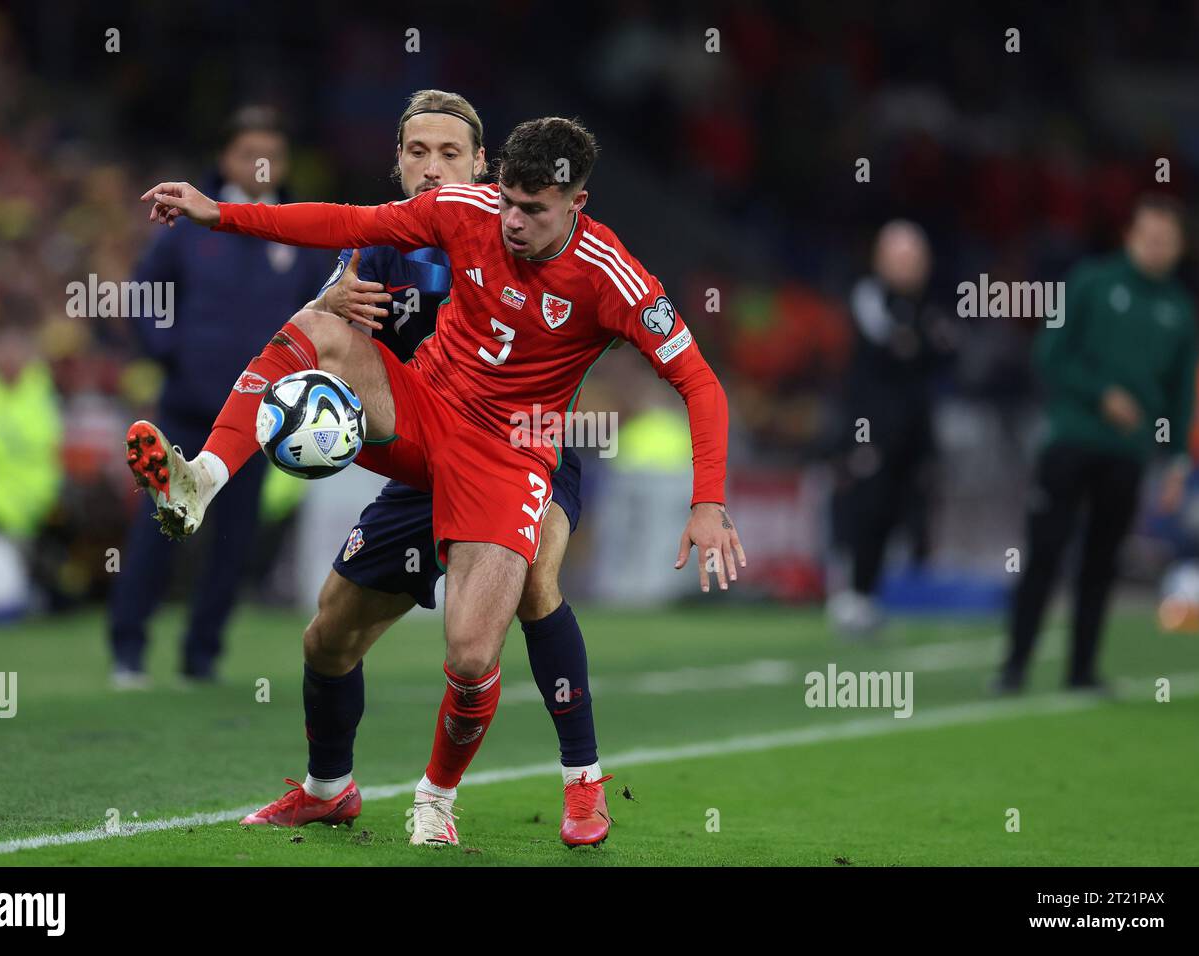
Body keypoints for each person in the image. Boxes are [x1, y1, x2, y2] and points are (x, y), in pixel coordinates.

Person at [134, 116, 745, 846]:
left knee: (473, 654)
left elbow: (700, 383)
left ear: (576, 202)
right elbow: (346, 221)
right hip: (422, 411)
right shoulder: (467, 210)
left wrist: (708, 500)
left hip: (508, 456)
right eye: (509, 202)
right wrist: (221, 214)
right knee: (320, 338)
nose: (513, 222)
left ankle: (444, 796)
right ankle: (200, 478)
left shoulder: (613, 276)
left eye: (534, 210)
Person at [192, 90, 608, 846]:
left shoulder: (518, 226)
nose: (433, 168)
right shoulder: (382, 245)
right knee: (327, 636)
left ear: (485, 165)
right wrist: (331, 296)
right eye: (417, 153)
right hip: (425, 454)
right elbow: (319, 345)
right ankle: (329, 788)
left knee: (535, 585)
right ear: (398, 162)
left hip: (527, 451)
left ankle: (582, 784)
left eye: (451, 153)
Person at [108, 106, 329, 686]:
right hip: (187, 404)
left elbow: (323, 315)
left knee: (232, 544)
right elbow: (144, 292)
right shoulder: (189, 222)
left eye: (273, 154)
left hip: (259, 417)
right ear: (225, 157)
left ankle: (200, 656)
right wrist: (170, 352)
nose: (261, 164)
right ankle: (127, 650)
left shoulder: (301, 233)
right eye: (248, 151)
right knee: (159, 526)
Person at [998, 195, 1198, 692]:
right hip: (1070, 441)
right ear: (1130, 236)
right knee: (1044, 551)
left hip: (1127, 455)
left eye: (1167, 240)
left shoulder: (1179, 310)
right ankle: (1015, 665)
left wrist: (1175, 458)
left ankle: (1081, 670)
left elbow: (1181, 395)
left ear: (1179, 247)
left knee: (1102, 561)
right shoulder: (1091, 282)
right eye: (1149, 237)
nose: (1156, 248)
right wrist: (1101, 394)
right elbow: (1050, 352)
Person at [828, 221, 953, 636]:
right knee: (867, 506)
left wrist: (918, 344)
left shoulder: (929, 305)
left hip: (914, 430)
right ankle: (850, 594)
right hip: (872, 427)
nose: (910, 266)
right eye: (901, 258)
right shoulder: (868, 295)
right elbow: (891, 345)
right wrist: (918, 344)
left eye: (916, 258)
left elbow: (945, 350)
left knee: (903, 511)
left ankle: (870, 595)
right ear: (881, 260)